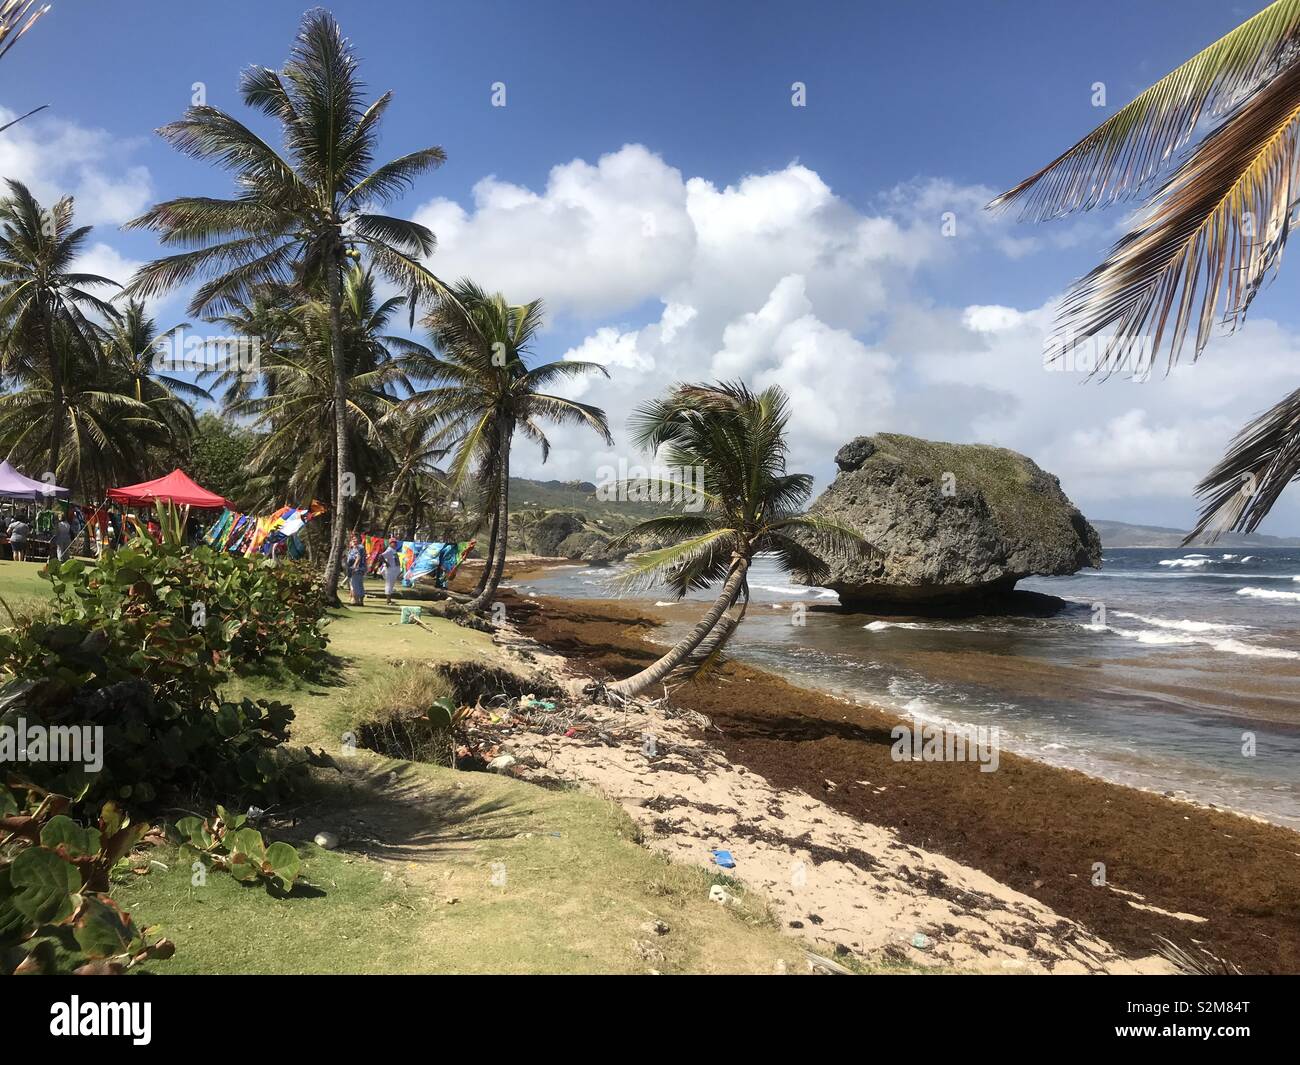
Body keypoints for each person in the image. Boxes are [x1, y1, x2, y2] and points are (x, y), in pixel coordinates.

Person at [345, 533, 367, 606]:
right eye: (353, 539)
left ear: (359, 539)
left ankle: (356, 601)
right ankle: (360, 601)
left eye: (355, 538)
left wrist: (354, 566)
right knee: (359, 584)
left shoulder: (359, 547)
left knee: (355, 585)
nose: (354, 540)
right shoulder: (353, 548)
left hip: (357, 569)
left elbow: (358, 557)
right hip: (356, 568)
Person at [381, 537, 401, 606]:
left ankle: (389, 600)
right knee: (389, 585)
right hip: (390, 570)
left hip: (394, 570)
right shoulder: (389, 550)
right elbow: (381, 556)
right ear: (390, 543)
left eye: (395, 542)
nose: (395, 544)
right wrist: (386, 563)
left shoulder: (393, 550)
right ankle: (388, 601)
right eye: (393, 542)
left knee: (391, 585)